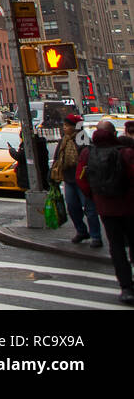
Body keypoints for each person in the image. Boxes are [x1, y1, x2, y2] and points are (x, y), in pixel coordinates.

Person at [76, 121, 134, 306]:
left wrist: (95, 196)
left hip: (105, 208)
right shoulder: (126, 152)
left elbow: (81, 179)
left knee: (116, 247)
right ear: (114, 134)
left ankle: (126, 287)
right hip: (129, 205)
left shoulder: (88, 153)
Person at [52, 114, 102, 247]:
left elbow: (89, 159)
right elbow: (57, 158)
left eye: (67, 126)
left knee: (90, 210)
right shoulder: (64, 140)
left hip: (83, 180)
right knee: (72, 208)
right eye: (64, 125)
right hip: (69, 179)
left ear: (75, 127)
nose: (64, 128)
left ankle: (96, 236)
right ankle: (81, 231)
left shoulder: (84, 141)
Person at [8, 126, 50, 192]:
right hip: (41, 176)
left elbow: (20, 157)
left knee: (34, 192)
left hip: (30, 176)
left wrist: (11, 150)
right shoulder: (40, 143)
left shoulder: (29, 145)